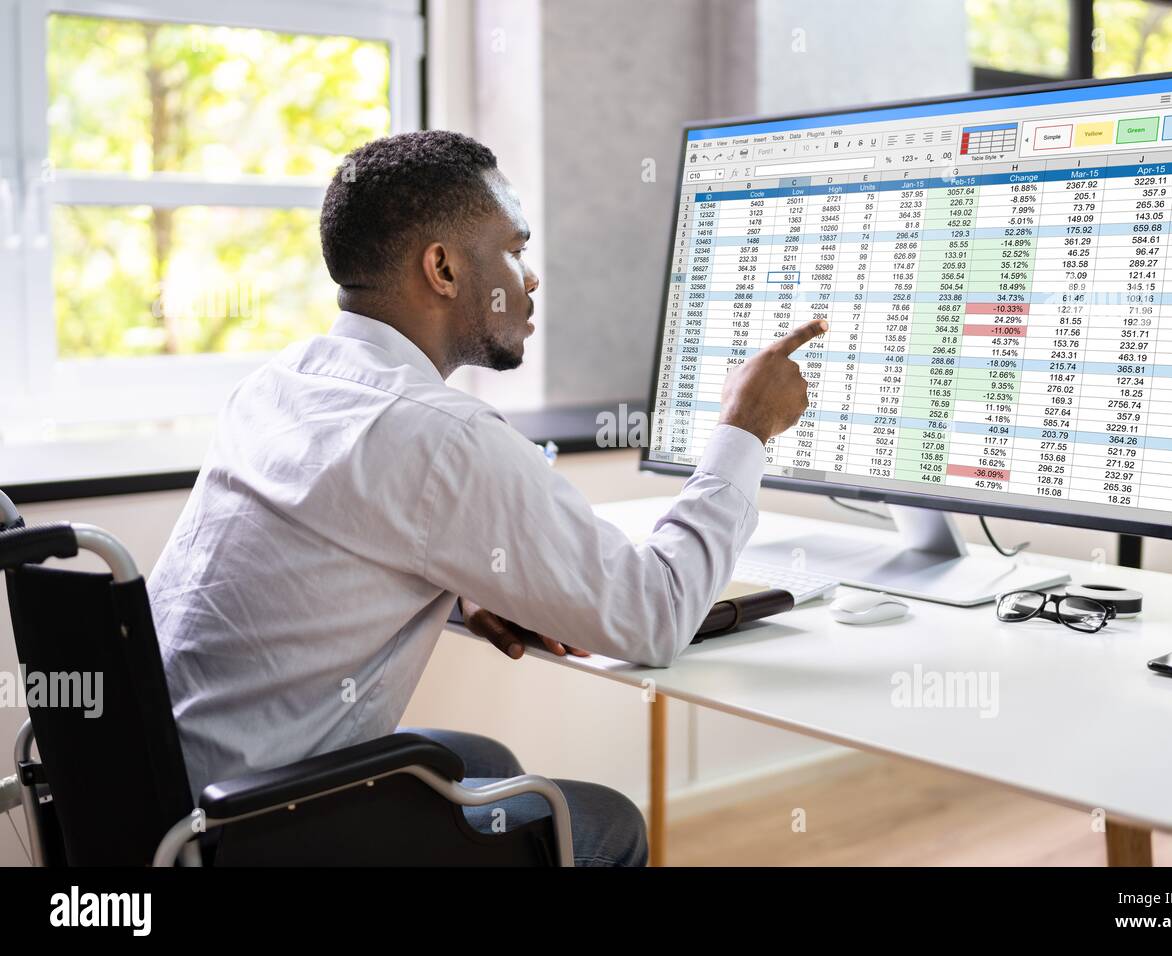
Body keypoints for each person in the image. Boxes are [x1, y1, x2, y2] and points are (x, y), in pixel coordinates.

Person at [148, 129, 825, 866]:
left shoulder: (280, 384)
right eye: (514, 249)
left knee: (485, 761)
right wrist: (745, 429)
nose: (530, 279)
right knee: (603, 821)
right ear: (441, 267)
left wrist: (463, 577)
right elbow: (655, 614)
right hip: (254, 832)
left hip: (155, 795)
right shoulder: (438, 433)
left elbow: (327, 556)